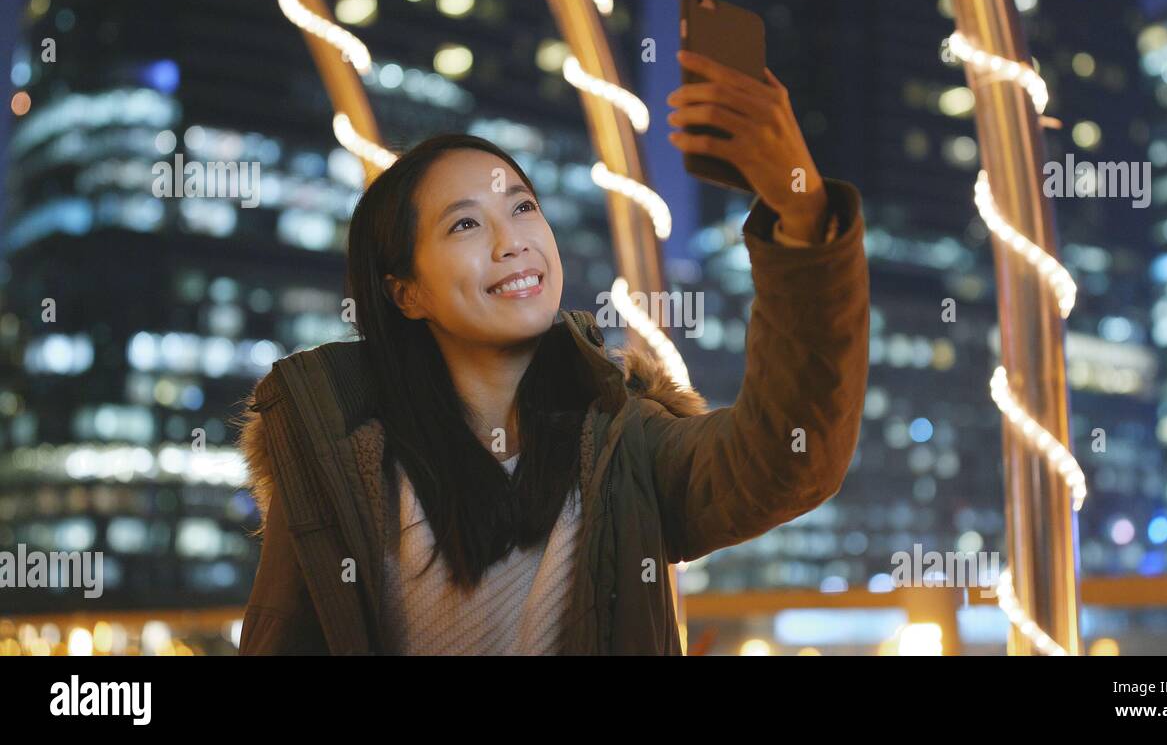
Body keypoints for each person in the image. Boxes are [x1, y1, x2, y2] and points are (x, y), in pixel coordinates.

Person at [235, 50, 870, 655]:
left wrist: (803, 213)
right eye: (465, 223)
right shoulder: (337, 467)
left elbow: (786, 461)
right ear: (405, 293)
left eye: (523, 208)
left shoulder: (625, 447)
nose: (512, 242)